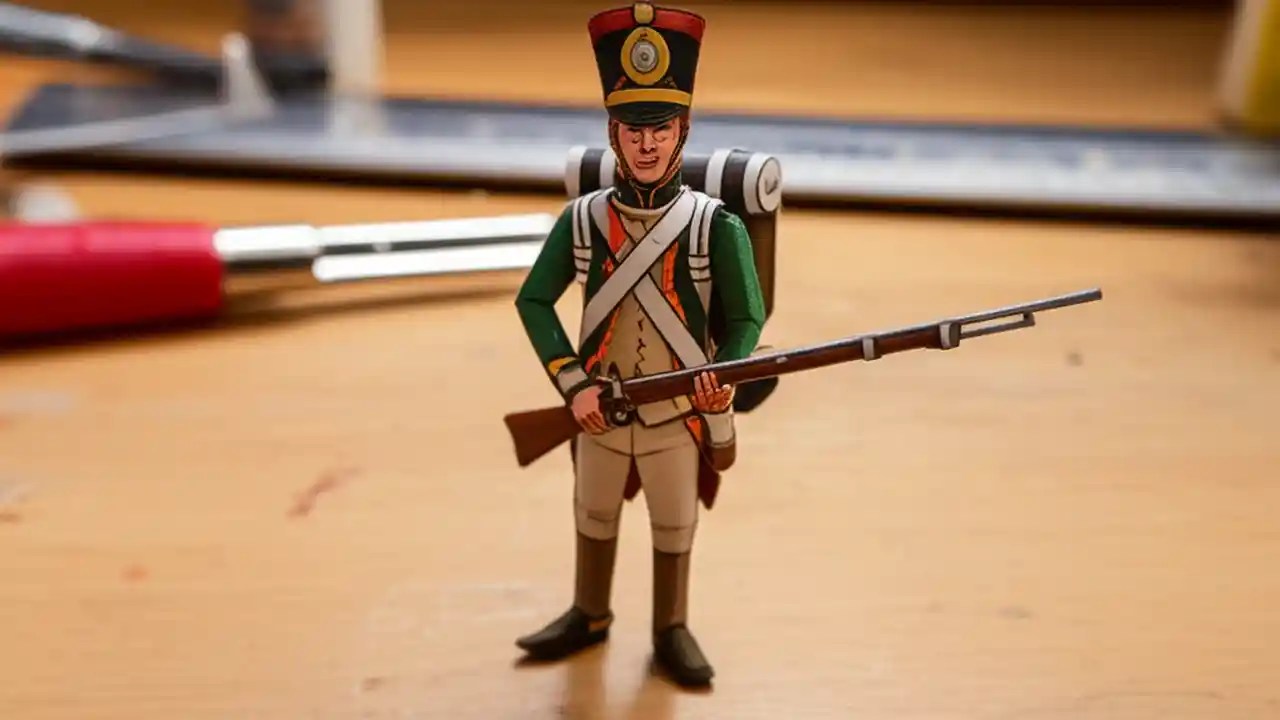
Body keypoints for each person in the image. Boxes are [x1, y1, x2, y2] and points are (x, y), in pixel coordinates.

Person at [512, 1, 766, 688]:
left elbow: (748, 317)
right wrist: (574, 385)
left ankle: (670, 627)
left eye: (661, 129)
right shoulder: (584, 221)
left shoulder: (716, 226)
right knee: (592, 515)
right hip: (600, 409)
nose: (647, 145)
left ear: (683, 130)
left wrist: (719, 378)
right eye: (634, 130)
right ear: (613, 133)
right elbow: (533, 300)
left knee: (673, 525)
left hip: (675, 415)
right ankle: (588, 613)